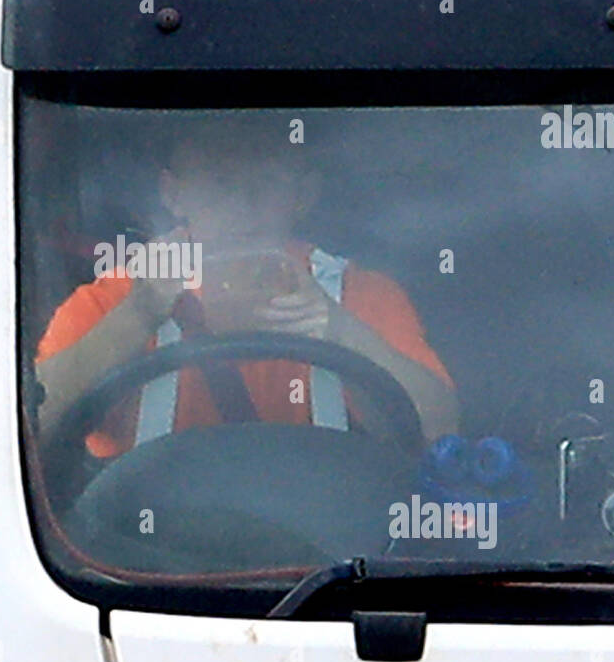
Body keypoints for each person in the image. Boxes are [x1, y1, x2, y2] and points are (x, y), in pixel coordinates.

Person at [35, 123, 458, 455]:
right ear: (173, 194)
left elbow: (439, 434)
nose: (242, 204)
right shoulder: (112, 300)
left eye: (265, 183)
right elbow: (33, 430)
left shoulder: (359, 294)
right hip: (143, 560)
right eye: (219, 182)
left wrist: (341, 331)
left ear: (302, 196)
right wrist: (138, 316)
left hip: (328, 554)